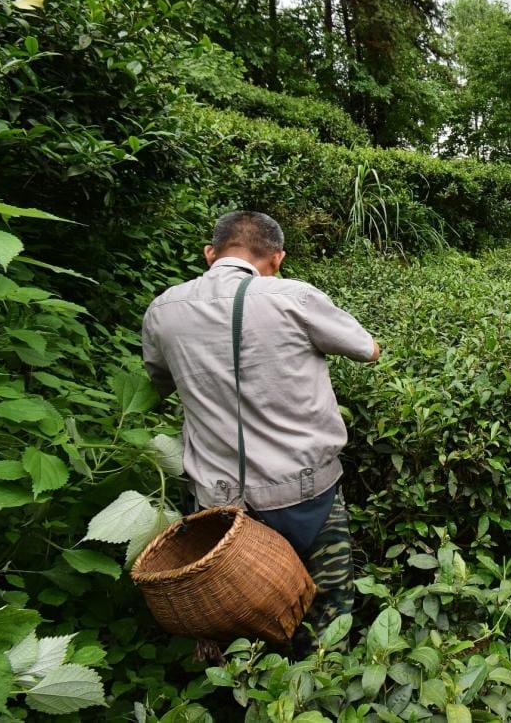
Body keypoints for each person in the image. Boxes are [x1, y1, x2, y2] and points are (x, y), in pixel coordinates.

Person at [142, 210, 379, 646]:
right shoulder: (293, 297)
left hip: (214, 503)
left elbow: (156, 382)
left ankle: (239, 691)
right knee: (325, 603)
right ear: (276, 258)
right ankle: (321, 690)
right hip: (306, 493)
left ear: (210, 254)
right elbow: (368, 350)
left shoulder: (164, 309)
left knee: (231, 611)